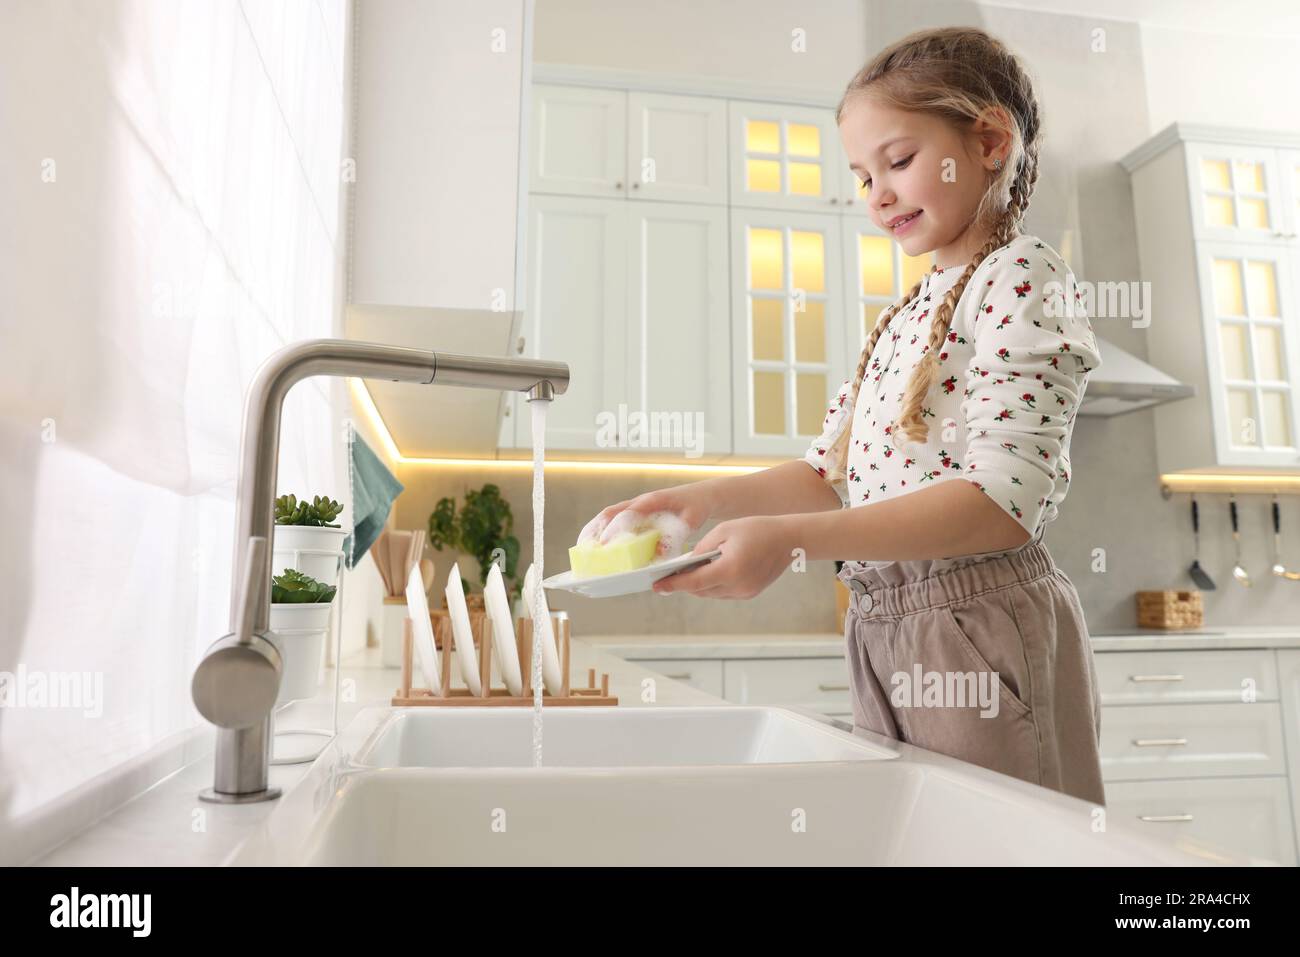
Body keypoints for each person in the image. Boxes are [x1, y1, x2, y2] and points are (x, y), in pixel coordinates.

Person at [584, 27, 1105, 806]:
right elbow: (829, 476)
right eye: (862, 176)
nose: (878, 193)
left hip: (979, 626)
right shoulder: (907, 313)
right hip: (884, 627)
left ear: (990, 140)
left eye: (898, 161)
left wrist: (789, 540)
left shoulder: (1023, 275)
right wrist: (701, 501)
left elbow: (1003, 502)